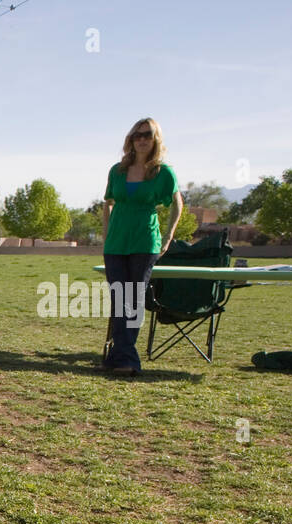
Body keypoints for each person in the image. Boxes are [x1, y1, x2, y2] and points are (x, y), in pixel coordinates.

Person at [101, 117, 183, 375]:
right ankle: (121, 357)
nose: (142, 139)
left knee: (133, 299)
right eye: (138, 135)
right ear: (131, 140)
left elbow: (177, 204)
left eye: (147, 134)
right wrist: (106, 235)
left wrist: (168, 236)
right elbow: (108, 203)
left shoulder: (163, 172)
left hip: (144, 242)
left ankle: (125, 360)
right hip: (115, 243)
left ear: (155, 139)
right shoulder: (117, 170)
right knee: (119, 298)